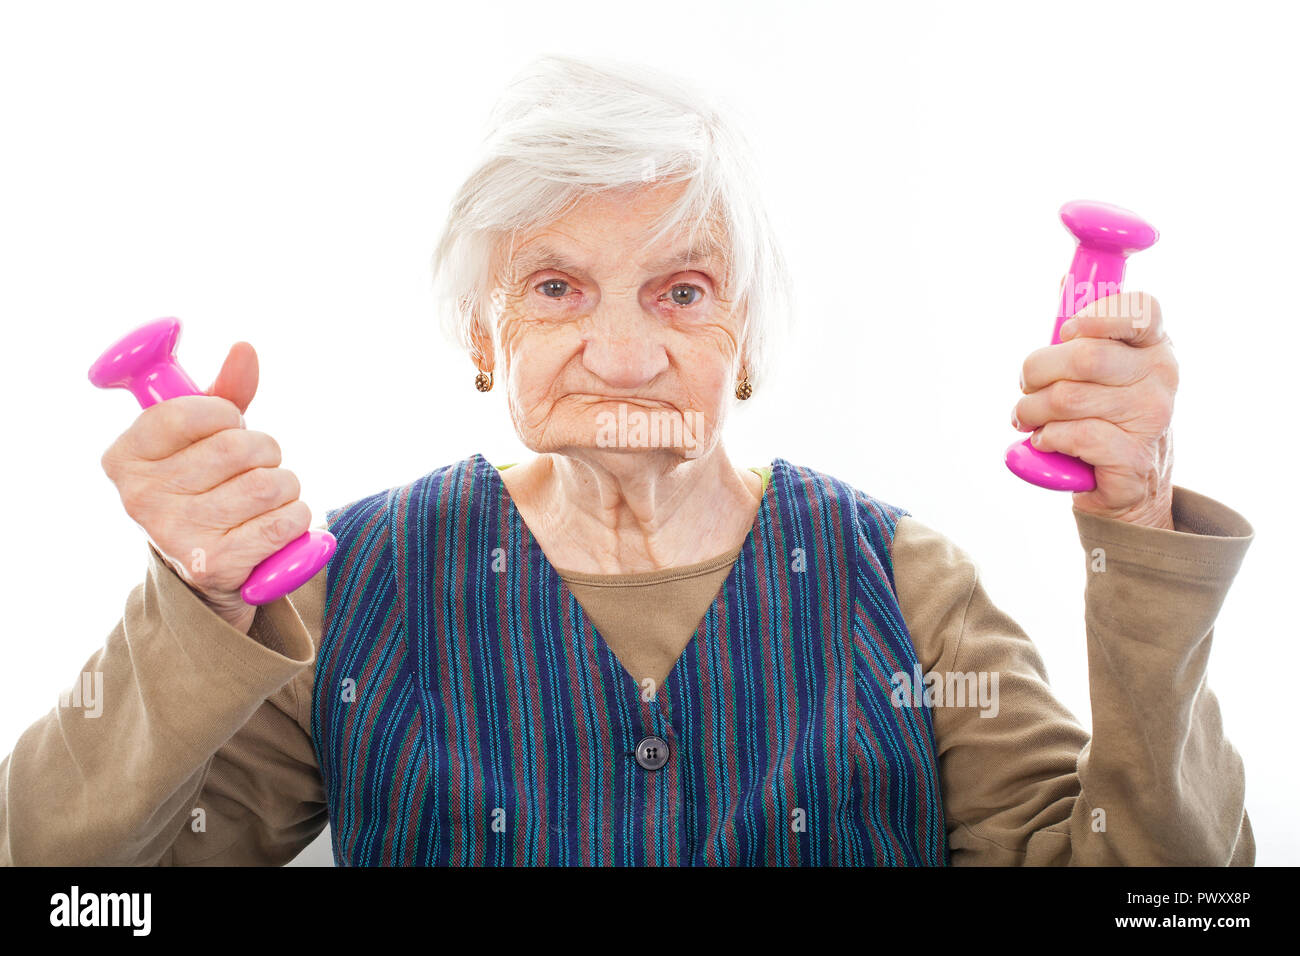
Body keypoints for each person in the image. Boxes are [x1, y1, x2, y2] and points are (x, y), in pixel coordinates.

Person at [0, 54, 1253, 866]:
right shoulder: (351, 587)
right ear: (482, 335)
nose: (620, 350)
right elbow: (72, 889)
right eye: (555, 286)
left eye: (682, 289)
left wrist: (1138, 524)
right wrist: (201, 597)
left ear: (747, 343)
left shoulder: (907, 582)